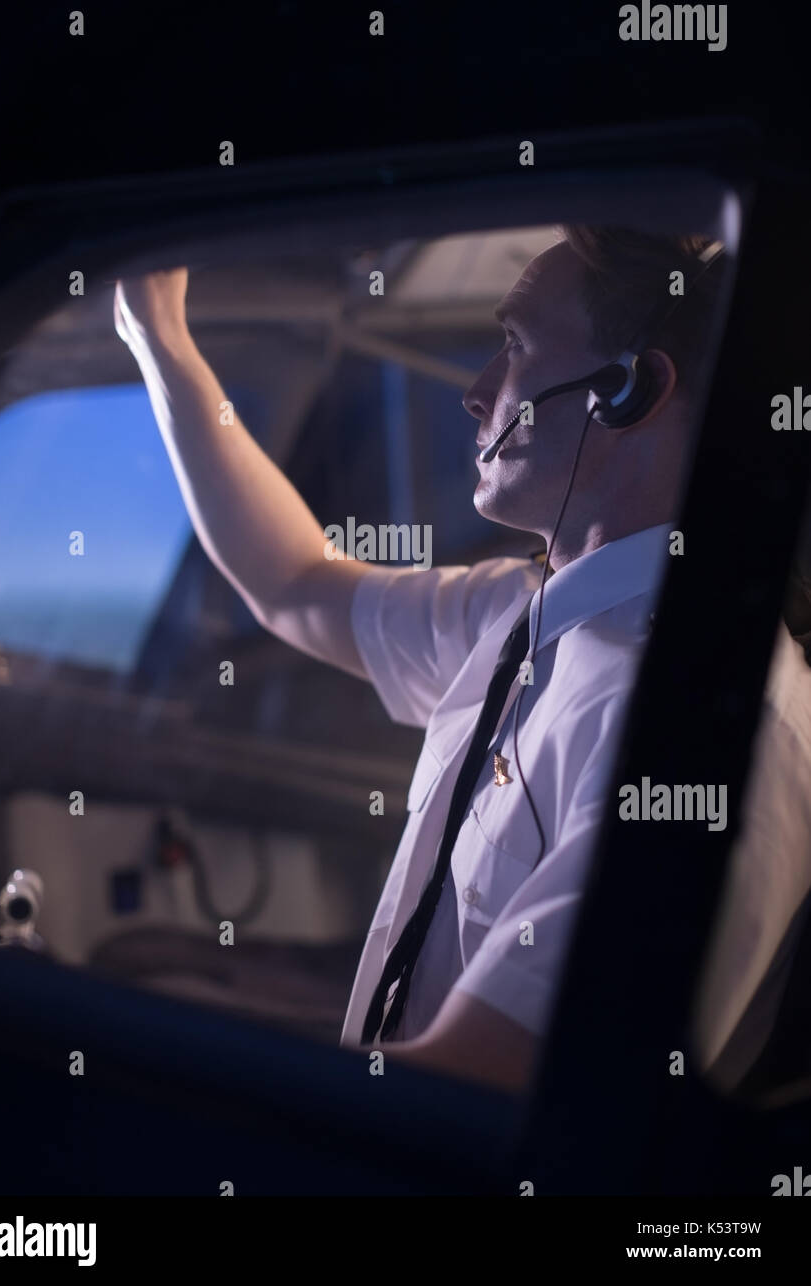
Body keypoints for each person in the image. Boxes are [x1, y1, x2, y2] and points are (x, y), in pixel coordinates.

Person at [114, 226, 811, 1097]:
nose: (477, 395)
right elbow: (291, 582)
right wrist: (158, 335)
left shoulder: (707, 734)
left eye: (515, 346)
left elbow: (500, 1086)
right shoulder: (523, 611)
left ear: (628, 391)